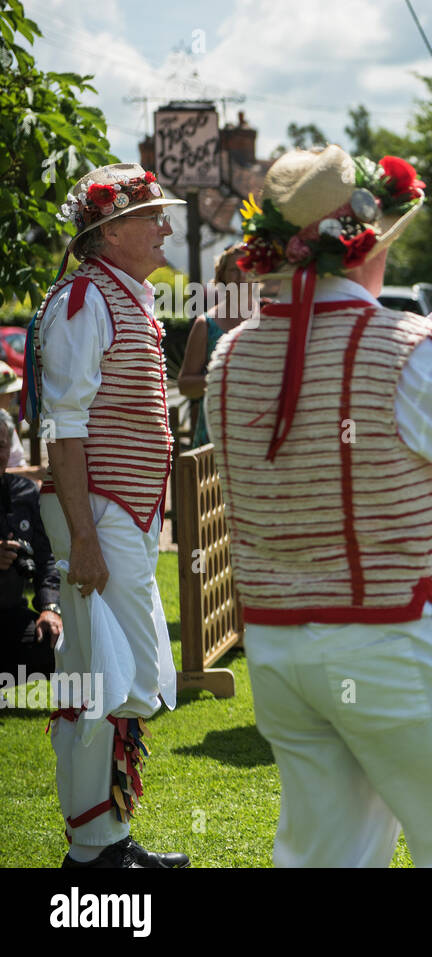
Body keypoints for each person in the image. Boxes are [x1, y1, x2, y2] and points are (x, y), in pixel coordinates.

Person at [207, 145, 432, 867]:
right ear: (371, 247)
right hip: (385, 636)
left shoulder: (229, 355)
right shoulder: (406, 342)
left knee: (327, 854)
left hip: (276, 650)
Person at [29, 162, 187, 868]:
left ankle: (105, 839)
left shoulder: (121, 296)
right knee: (104, 676)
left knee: (114, 677)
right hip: (99, 510)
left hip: (123, 510)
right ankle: (93, 849)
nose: (166, 228)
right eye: (153, 216)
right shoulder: (84, 298)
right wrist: (84, 538)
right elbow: (64, 427)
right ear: (112, 230)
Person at [176, 244, 258, 448]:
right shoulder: (206, 324)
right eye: (234, 270)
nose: (241, 277)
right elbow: (185, 385)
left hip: (259, 435)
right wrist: (222, 379)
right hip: (215, 438)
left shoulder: (270, 319)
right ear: (222, 277)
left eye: (246, 269)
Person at [0, 409, 61, 681]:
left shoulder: (25, 493)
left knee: (60, 646)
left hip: (12, 614)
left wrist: (49, 608)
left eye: (0, 446)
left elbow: (48, 559)